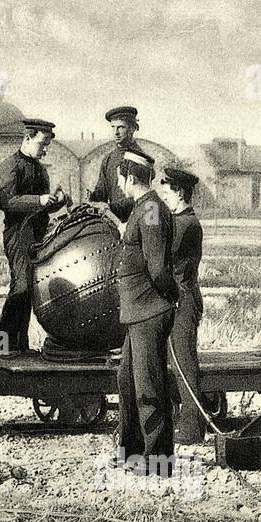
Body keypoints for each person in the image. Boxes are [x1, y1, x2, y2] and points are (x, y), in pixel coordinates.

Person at [114, 148, 180, 465]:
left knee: (148, 388)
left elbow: (157, 269)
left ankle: (158, 461)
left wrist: (169, 298)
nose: (118, 184)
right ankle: (131, 453)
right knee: (127, 382)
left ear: (129, 178)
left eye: (119, 178)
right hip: (138, 312)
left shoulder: (151, 210)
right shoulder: (143, 208)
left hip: (149, 312)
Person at [0, 118, 66, 357]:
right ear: (28, 138)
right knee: (21, 287)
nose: (45, 150)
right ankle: (3, 345)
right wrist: (39, 200)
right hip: (17, 234)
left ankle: (20, 346)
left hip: (37, 234)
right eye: (42, 144)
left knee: (29, 289)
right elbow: (5, 202)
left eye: (47, 146)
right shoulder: (10, 166)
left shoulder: (40, 169)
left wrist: (57, 202)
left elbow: (44, 207)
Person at [158, 166, 206, 444]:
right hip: (178, 299)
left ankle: (192, 429)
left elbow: (165, 254)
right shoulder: (180, 221)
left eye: (167, 195)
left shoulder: (186, 224)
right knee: (173, 362)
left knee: (184, 365)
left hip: (183, 302)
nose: (165, 200)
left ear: (179, 193)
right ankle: (181, 422)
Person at [89, 106, 144, 225]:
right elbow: (101, 193)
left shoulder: (140, 159)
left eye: (121, 127)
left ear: (132, 128)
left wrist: (110, 208)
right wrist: (93, 198)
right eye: (113, 127)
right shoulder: (108, 159)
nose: (116, 132)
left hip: (135, 222)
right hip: (113, 221)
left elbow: (138, 198)